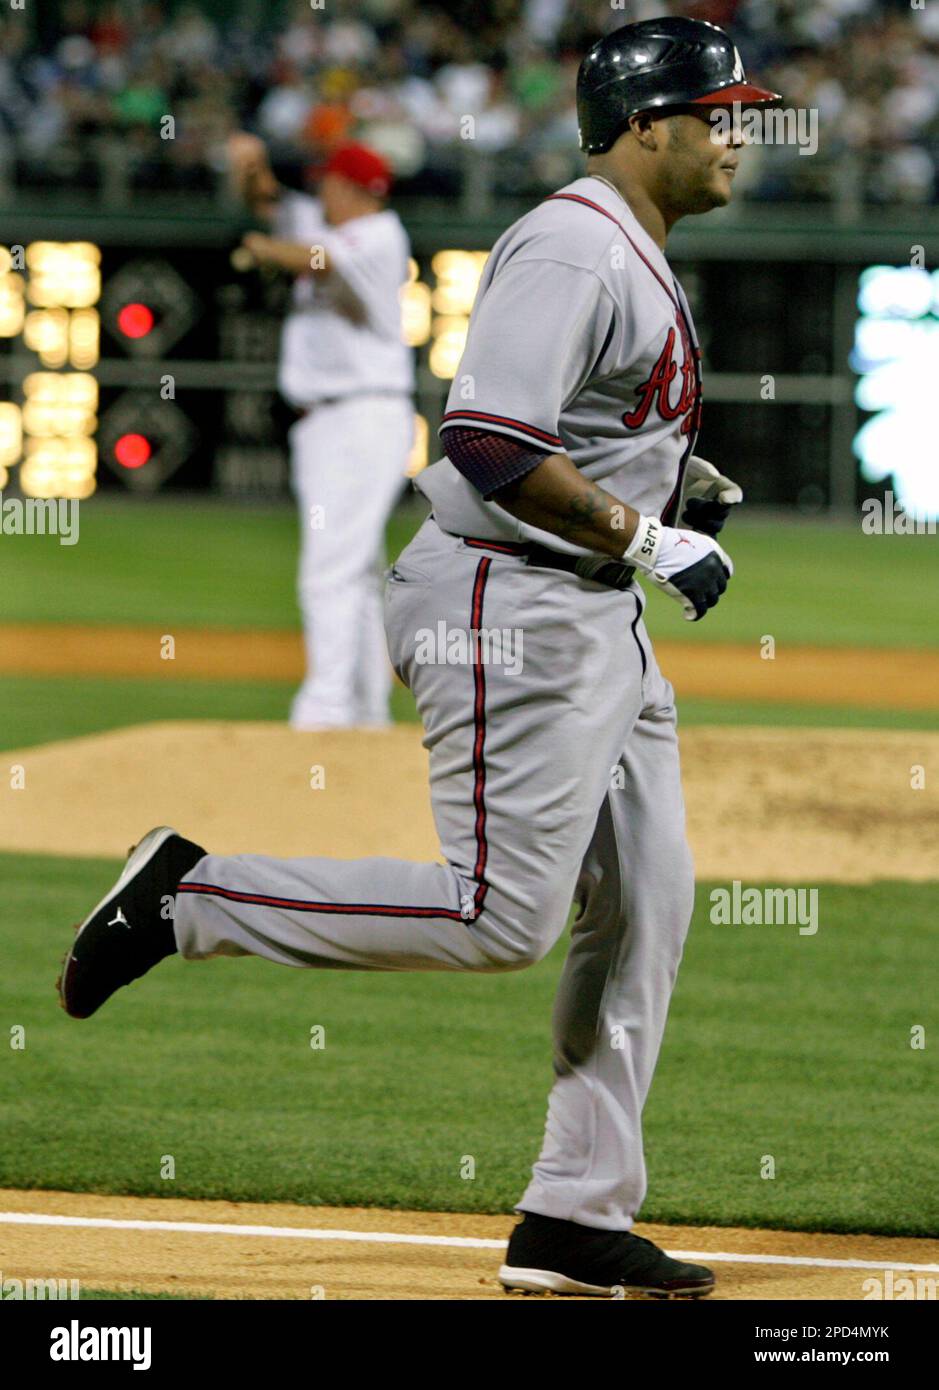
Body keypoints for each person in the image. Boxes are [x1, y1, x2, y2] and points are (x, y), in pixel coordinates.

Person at [59, 19, 778, 1299]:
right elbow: (493, 440)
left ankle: (571, 1214)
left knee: (649, 902)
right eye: (718, 110)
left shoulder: (633, 247)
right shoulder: (573, 240)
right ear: (643, 124)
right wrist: (644, 533)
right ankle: (188, 897)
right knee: (501, 919)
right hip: (513, 603)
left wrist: (668, 485)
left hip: (586, 608)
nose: (738, 132)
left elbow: (581, 420)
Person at [228, 134, 415, 729]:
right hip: (337, 420)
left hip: (360, 416)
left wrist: (262, 248)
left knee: (331, 565)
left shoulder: (380, 233)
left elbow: (315, 257)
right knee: (356, 570)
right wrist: (251, 168)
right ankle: (362, 711)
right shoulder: (328, 224)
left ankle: (325, 708)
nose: (319, 192)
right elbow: (271, 202)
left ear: (348, 187)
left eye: (327, 183)